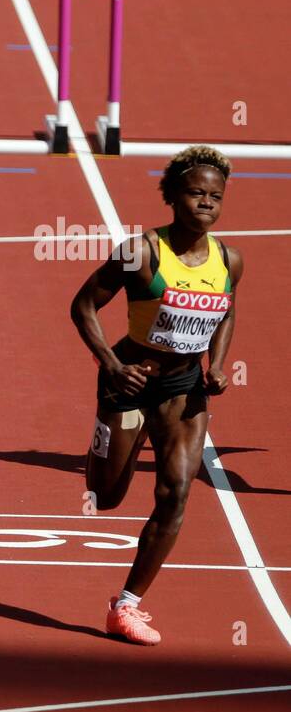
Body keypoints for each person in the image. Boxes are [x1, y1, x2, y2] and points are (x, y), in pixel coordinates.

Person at [70, 145, 241, 645]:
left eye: (216, 195)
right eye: (195, 193)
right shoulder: (140, 252)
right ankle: (102, 448)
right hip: (131, 381)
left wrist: (218, 365)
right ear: (173, 197)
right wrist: (112, 366)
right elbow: (83, 307)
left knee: (176, 493)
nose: (206, 203)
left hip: (184, 390)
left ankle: (126, 606)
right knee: (105, 497)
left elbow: (227, 312)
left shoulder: (230, 258)